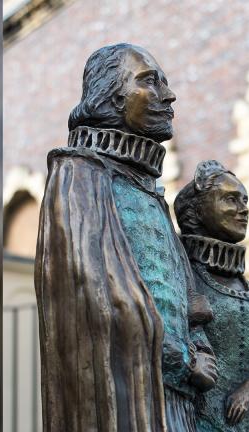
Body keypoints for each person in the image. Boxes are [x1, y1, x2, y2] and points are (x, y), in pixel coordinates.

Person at [35, 43, 217, 432]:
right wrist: (183, 362)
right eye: (149, 82)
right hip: (125, 404)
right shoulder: (80, 177)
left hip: (176, 401)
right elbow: (100, 296)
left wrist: (199, 345)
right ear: (111, 98)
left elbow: (190, 299)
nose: (168, 96)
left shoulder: (149, 191)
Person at [174, 160, 249, 431]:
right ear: (197, 211)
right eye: (231, 199)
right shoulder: (181, 280)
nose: (243, 209)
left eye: (244, 200)